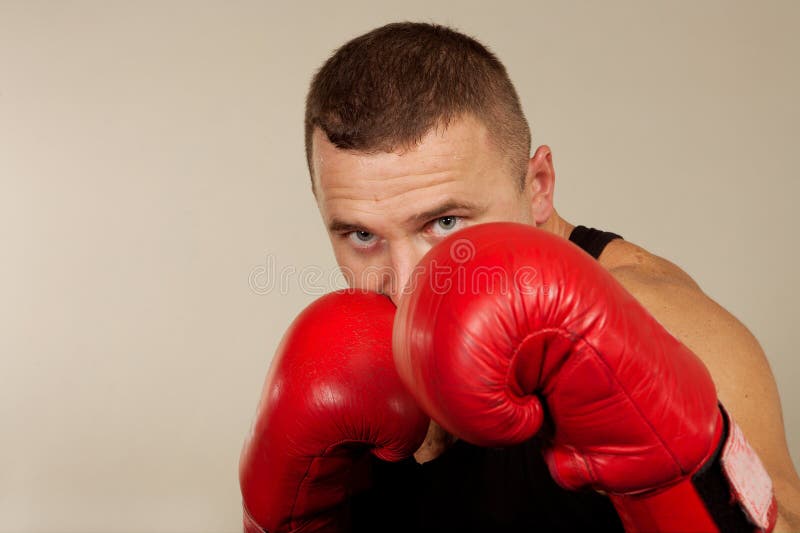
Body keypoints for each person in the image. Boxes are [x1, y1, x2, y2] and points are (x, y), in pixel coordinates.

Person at [240, 22, 800, 532]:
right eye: (362, 236)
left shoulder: (662, 321)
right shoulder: (348, 356)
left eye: (444, 222)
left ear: (538, 186)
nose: (407, 281)